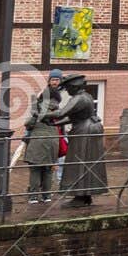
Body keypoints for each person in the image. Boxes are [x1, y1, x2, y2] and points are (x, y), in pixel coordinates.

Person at [53, 73, 108, 207]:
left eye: (67, 88)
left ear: (73, 87)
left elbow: (61, 113)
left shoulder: (78, 99)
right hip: (89, 128)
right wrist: (55, 123)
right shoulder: (87, 96)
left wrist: (42, 114)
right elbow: (75, 117)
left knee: (78, 162)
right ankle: (85, 194)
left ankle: (79, 196)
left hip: (84, 131)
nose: (67, 91)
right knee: (87, 162)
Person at [22, 70, 64, 204]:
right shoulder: (58, 108)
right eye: (53, 79)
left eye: (57, 79)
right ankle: (47, 196)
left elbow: (29, 124)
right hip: (53, 140)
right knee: (48, 169)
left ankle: (33, 196)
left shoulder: (39, 106)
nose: (55, 82)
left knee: (35, 169)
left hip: (38, 140)